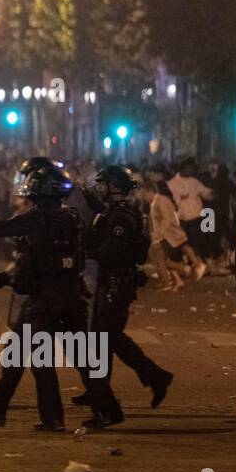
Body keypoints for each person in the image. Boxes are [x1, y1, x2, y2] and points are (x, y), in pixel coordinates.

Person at [0, 163, 83, 431]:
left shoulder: (37, 217)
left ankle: (49, 418)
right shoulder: (70, 217)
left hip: (45, 300)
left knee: (36, 357)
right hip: (66, 294)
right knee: (19, 352)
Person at [79, 164, 173, 429]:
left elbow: (112, 250)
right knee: (102, 340)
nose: (101, 188)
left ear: (114, 186)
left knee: (108, 339)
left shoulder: (121, 217)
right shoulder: (115, 212)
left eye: (104, 184)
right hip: (108, 282)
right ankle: (101, 394)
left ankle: (153, 377)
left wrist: (86, 254)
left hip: (117, 283)